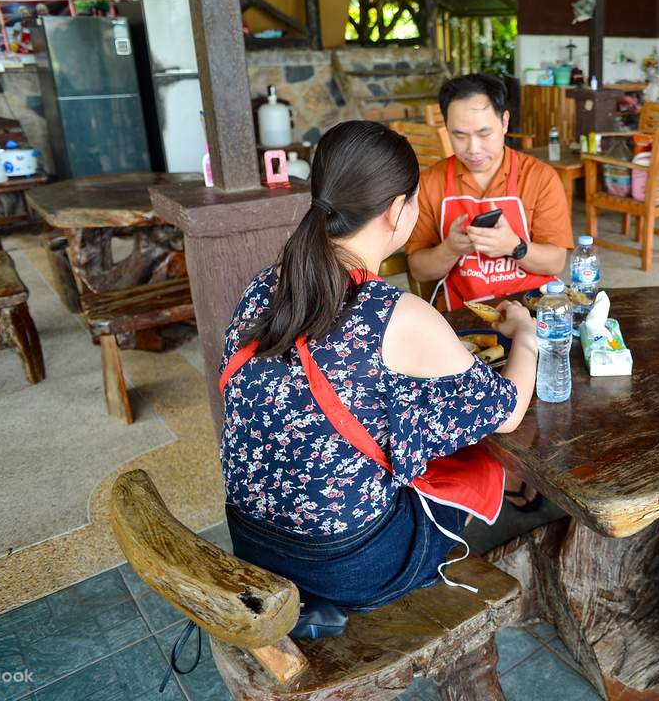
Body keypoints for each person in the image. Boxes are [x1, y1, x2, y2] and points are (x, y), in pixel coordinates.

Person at [219, 121, 538, 621]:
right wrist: (527, 337)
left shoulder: (264, 286)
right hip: (350, 567)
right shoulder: (396, 314)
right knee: (467, 455)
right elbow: (509, 410)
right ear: (397, 210)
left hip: (252, 542)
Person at [407, 73, 574, 312]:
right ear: (446, 128)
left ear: (504, 122)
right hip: (464, 312)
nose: (473, 149)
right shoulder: (431, 182)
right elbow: (418, 270)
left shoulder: (540, 178)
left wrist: (515, 247)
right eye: (459, 135)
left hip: (533, 309)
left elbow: (555, 262)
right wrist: (450, 249)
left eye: (484, 134)